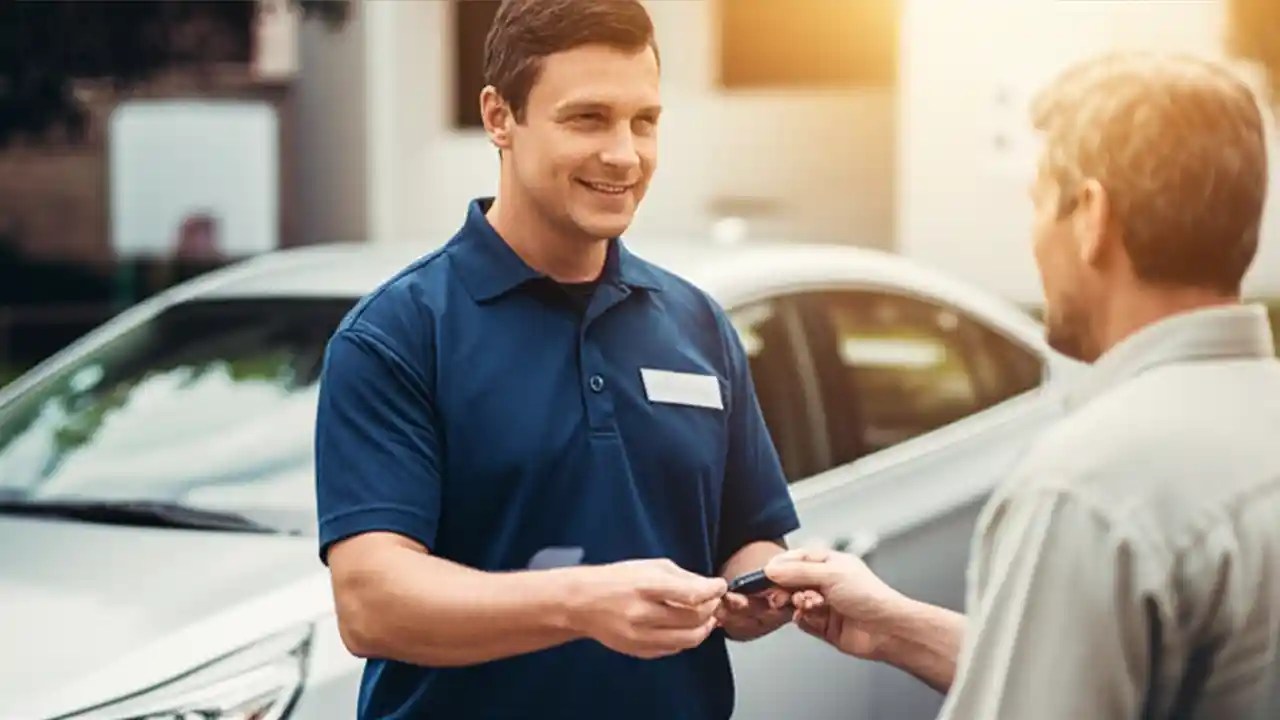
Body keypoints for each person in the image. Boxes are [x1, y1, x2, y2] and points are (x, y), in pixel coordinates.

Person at [313, 0, 799, 718]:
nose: (625, 155)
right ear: (498, 117)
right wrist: (583, 602)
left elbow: (746, 536)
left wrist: (762, 586)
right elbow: (372, 604)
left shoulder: (699, 325)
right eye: (588, 118)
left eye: (645, 121)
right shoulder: (397, 335)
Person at [766, 51, 1280, 719]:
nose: (1034, 239)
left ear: (1092, 217)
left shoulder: (1091, 488)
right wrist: (895, 628)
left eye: (1038, 202)